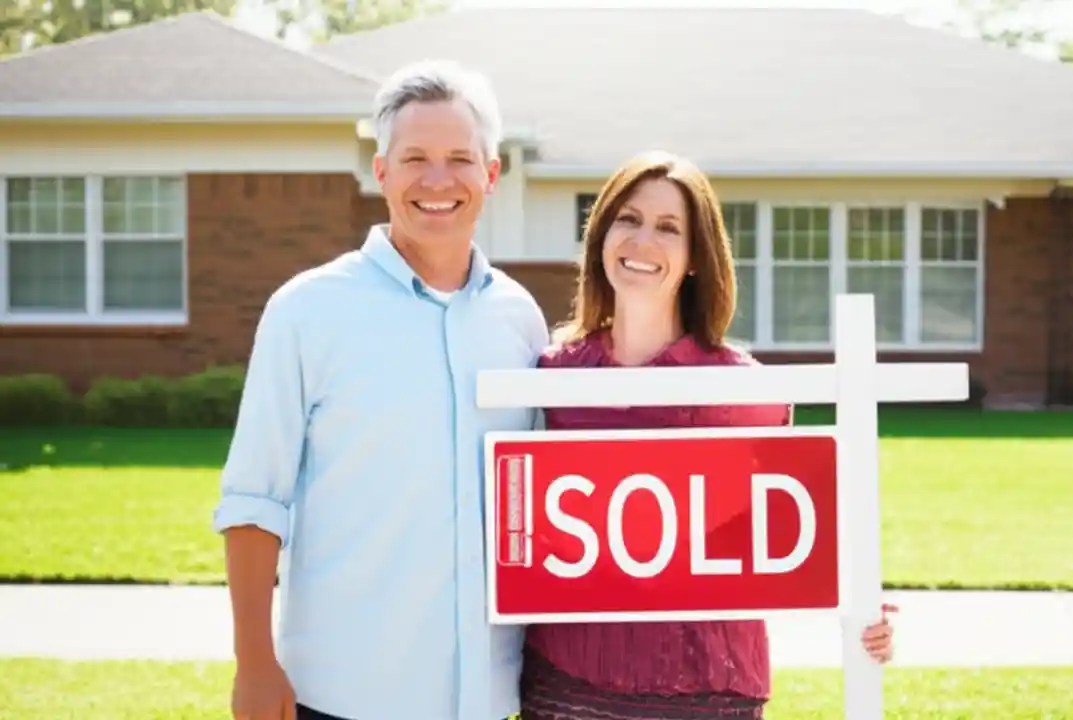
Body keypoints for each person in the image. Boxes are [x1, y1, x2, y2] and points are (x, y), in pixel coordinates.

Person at [211, 59, 548, 720]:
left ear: (491, 174)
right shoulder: (306, 311)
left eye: (459, 158)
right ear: (382, 170)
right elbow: (255, 499)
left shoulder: (521, 320)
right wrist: (254, 663)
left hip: (488, 696)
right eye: (415, 157)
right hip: (343, 696)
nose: (438, 180)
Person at [518, 150, 896, 720]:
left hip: (709, 688)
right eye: (628, 219)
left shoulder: (745, 394)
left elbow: (790, 529)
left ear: (696, 257)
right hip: (571, 684)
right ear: (601, 236)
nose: (643, 240)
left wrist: (868, 604)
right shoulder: (550, 377)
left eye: (669, 228)